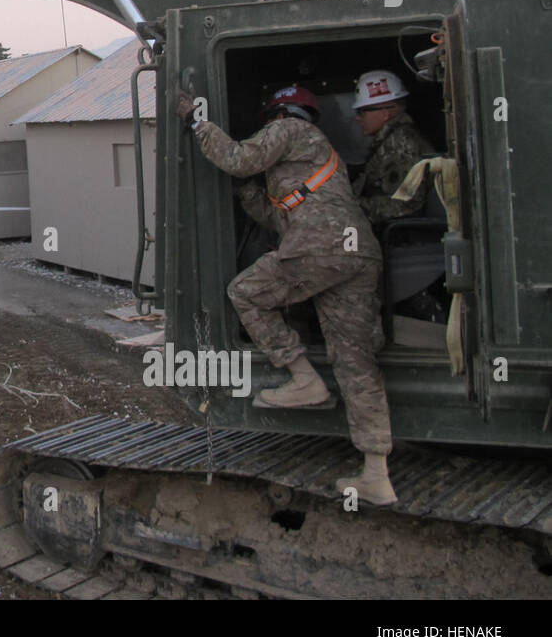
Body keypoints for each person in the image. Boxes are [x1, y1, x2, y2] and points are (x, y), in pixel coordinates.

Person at [176, 84, 396, 505]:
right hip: (354, 254)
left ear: (279, 114)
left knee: (244, 292)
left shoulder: (291, 129)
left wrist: (197, 123)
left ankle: (305, 380)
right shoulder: (320, 159)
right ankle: (376, 474)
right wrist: (244, 193)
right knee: (355, 363)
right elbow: (279, 218)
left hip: (322, 248)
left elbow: (241, 159)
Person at [350, 69, 434, 231]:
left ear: (384, 114)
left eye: (362, 112)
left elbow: (406, 205)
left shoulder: (401, 145)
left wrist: (352, 206)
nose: (358, 118)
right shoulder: (391, 140)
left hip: (405, 237)